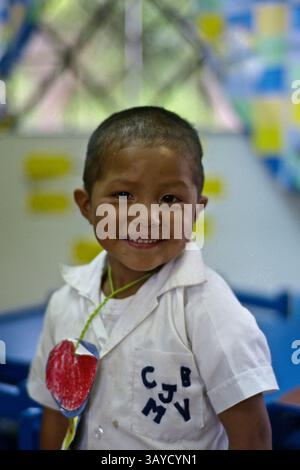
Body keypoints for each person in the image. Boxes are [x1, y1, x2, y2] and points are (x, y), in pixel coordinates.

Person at [27, 106, 278, 450]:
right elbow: (55, 413)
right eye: (123, 195)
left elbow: (253, 436)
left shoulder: (208, 308)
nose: (146, 217)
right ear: (86, 206)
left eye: (170, 199)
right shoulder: (65, 303)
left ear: (195, 211)